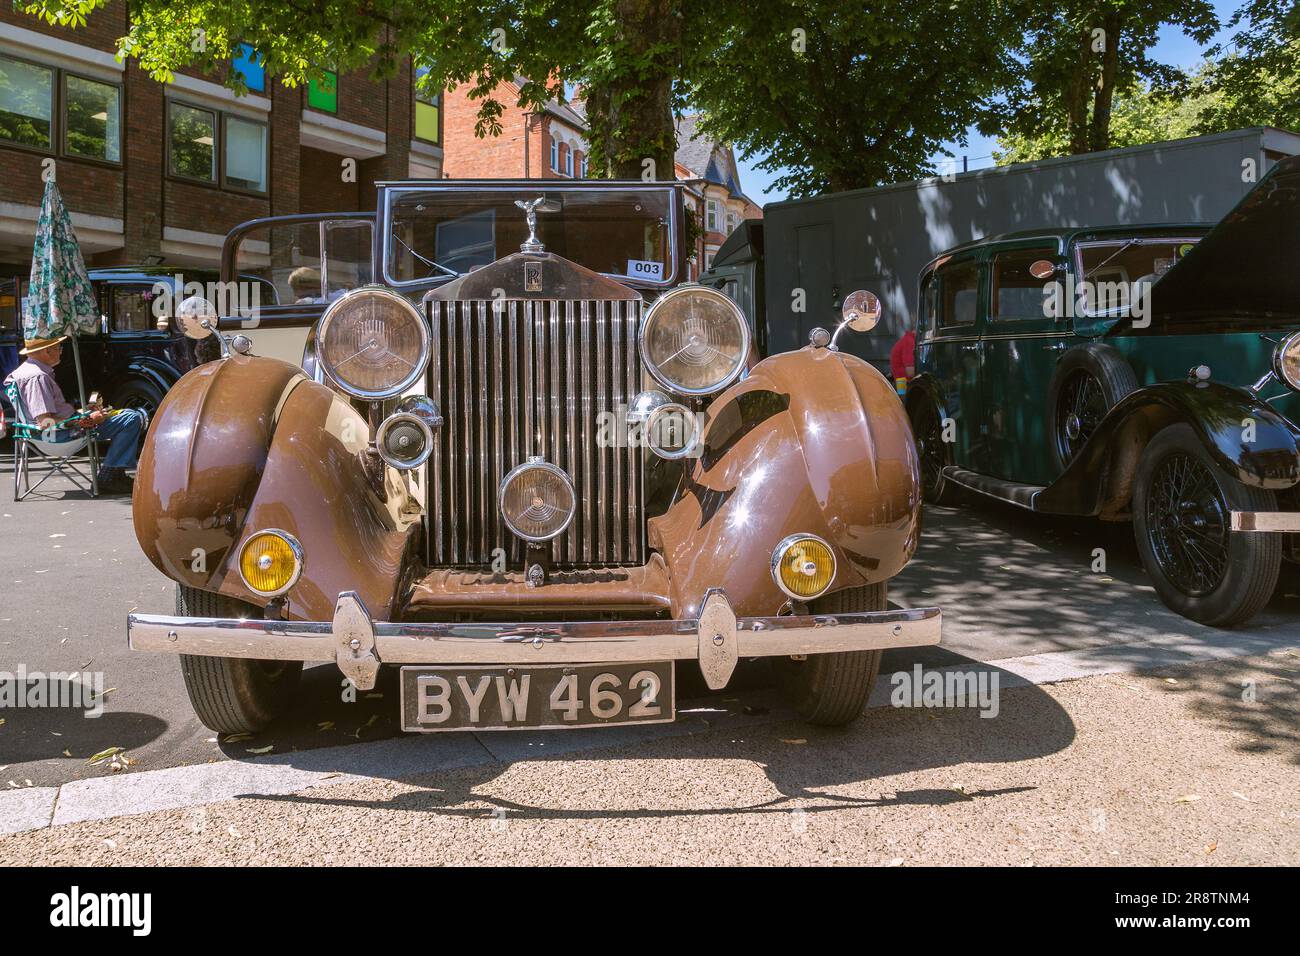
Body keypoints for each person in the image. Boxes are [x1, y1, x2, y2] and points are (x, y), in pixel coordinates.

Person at [2, 336, 147, 495]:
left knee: (123, 414)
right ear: (46, 351)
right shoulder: (37, 377)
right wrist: (85, 420)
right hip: (58, 436)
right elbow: (46, 422)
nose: (61, 352)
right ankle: (109, 476)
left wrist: (82, 414)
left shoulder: (25, 371)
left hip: (49, 433)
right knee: (131, 418)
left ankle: (114, 473)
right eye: (59, 348)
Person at [890, 328, 917, 397]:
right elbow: (910, 371)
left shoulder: (908, 339)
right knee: (904, 405)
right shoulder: (910, 342)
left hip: (901, 382)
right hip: (902, 384)